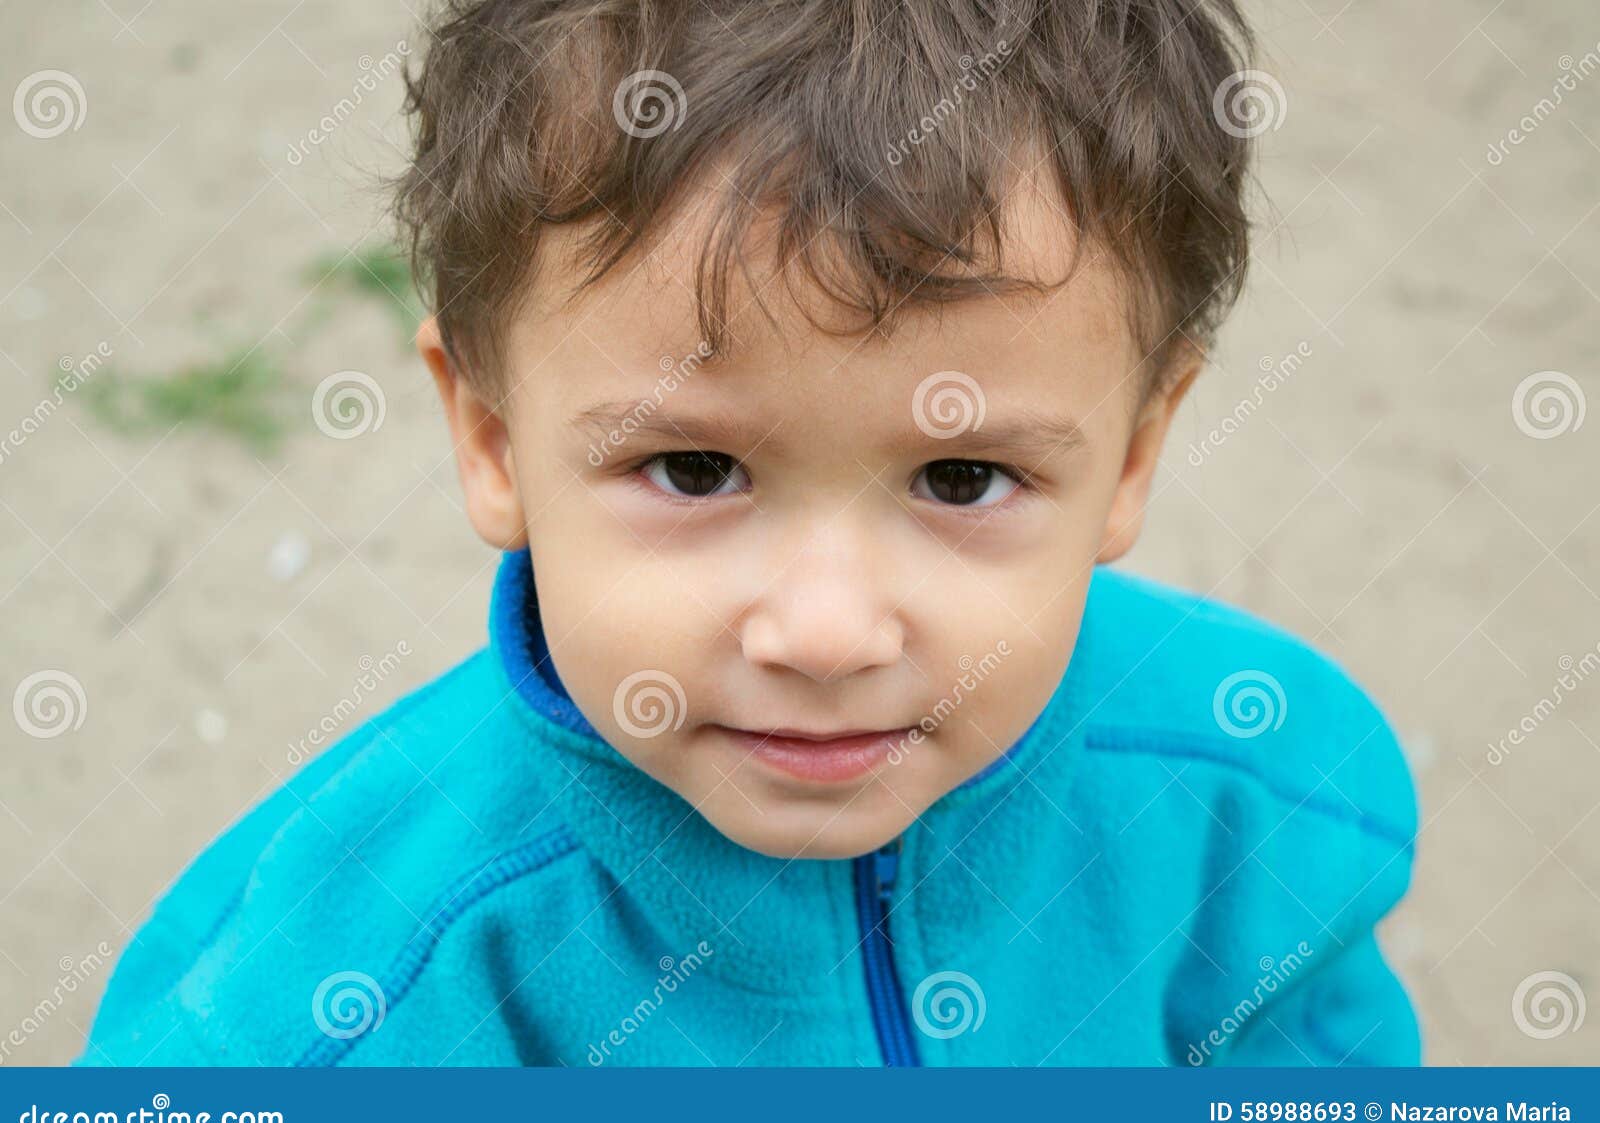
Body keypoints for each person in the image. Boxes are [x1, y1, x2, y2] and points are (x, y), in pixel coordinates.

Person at [78, 0, 1418, 1066]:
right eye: (695, 465)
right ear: (492, 439)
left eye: (961, 479)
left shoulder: (1253, 787)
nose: (827, 630)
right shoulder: (356, 980)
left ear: (1133, 449)